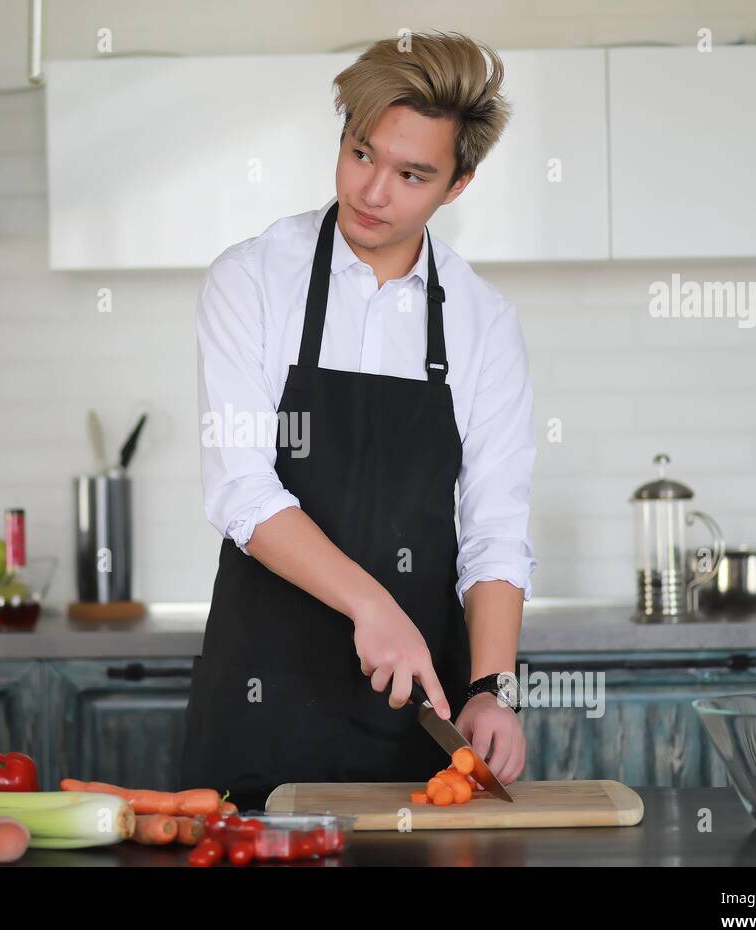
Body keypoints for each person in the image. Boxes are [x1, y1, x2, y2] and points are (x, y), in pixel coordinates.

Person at [179, 31, 538, 811]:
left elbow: (495, 527)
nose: (374, 192)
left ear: (459, 184)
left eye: (412, 175)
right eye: (360, 153)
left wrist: (490, 685)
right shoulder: (252, 280)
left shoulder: (482, 322)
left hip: (413, 709)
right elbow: (242, 487)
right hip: (261, 698)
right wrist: (372, 605)